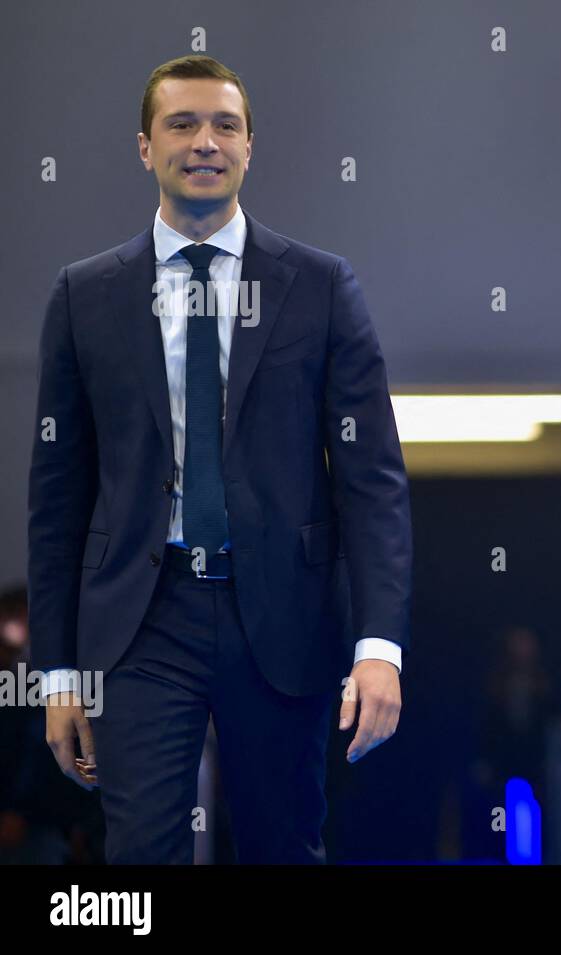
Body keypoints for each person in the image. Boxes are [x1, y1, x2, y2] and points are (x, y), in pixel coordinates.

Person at [28, 55, 412, 864]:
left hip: (282, 612)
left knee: (283, 846)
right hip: (139, 619)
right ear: (144, 147)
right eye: (182, 123)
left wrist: (379, 647)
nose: (205, 141)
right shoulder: (84, 294)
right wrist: (55, 673)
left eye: (225, 125)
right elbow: (58, 497)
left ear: (248, 147)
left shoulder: (320, 284)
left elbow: (373, 480)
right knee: (139, 857)